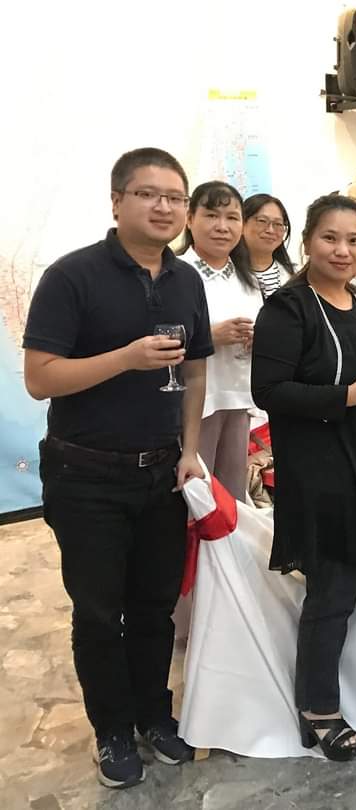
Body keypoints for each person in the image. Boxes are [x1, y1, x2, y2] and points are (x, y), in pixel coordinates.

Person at [22, 147, 212, 788]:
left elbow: (195, 369)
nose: (164, 207)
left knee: (155, 605)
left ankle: (154, 715)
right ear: (117, 201)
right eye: (148, 194)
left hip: (162, 471)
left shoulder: (186, 281)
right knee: (100, 611)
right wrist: (124, 358)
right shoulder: (72, 277)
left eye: (175, 197)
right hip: (87, 475)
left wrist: (189, 450)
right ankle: (111, 729)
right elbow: (40, 380)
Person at [251, 194, 356, 761]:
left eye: (354, 241)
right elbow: (268, 392)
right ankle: (319, 705)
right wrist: (349, 396)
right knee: (335, 593)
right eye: (330, 238)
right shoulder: (287, 309)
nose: (343, 251)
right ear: (307, 242)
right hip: (322, 470)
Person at [177, 181, 263, 500]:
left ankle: (229, 552)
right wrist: (211, 336)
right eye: (212, 215)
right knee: (196, 496)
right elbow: (155, 339)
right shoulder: (177, 273)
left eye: (232, 217)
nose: (222, 227)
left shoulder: (246, 276)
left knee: (231, 497)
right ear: (189, 219)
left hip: (238, 394)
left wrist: (259, 338)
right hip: (196, 400)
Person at [242, 193, 295, 302]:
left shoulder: (294, 276)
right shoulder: (228, 273)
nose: (270, 230)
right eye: (262, 221)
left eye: (278, 224)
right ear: (242, 224)